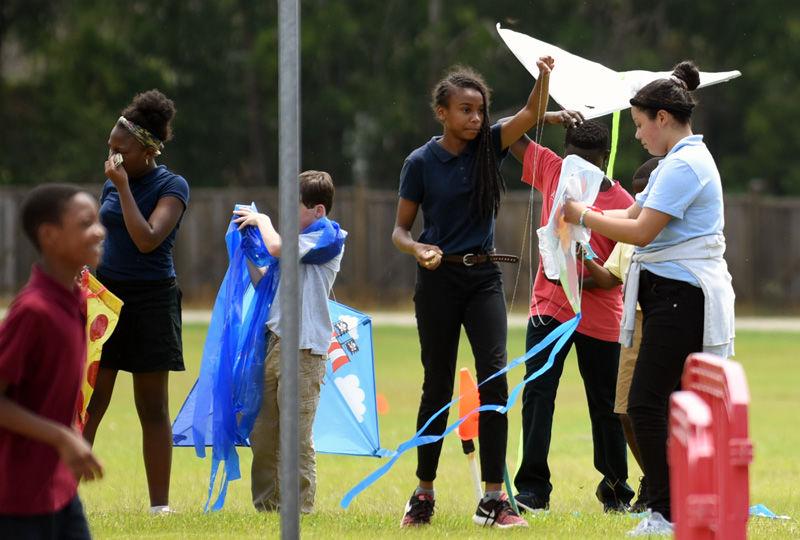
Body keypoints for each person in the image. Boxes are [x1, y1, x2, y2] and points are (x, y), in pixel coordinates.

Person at [563, 61, 735, 536]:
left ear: (663, 117)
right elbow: (635, 211)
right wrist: (583, 214)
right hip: (667, 295)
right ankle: (680, 504)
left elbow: (639, 231)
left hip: (682, 294)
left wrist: (582, 214)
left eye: (640, 124)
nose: (637, 135)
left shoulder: (685, 164)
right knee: (666, 404)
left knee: (645, 404)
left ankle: (667, 511)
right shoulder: (673, 164)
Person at [391, 57, 555, 529]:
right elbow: (399, 231)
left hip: (484, 278)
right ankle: (423, 493)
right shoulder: (420, 163)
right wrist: (418, 248)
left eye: (480, 110)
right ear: (441, 112)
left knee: (494, 383)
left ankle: (492, 500)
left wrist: (542, 78)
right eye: (465, 110)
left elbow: (531, 111)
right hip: (438, 283)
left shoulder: (490, 146)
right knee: (437, 387)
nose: (476, 119)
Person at [507, 118, 636, 513]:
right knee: (538, 395)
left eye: (588, 164)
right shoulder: (551, 169)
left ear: (605, 160)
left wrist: (581, 264)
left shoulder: (625, 204)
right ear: (563, 155)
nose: (577, 171)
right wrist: (543, 116)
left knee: (606, 406)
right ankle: (532, 490)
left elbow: (614, 278)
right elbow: (506, 133)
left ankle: (615, 490)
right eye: (572, 162)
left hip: (599, 317)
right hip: (550, 308)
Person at [82, 90, 189, 514]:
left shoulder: (172, 186)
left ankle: (159, 506)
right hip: (107, 298)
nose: (111, 157)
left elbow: (147, 239)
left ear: (147, 150)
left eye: (120, 150)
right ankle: (60, 496)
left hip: (151, 302)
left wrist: (123, 187)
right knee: (93, 398)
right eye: (109, 148)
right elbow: (101, 233)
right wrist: (86, 267)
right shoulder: (112, 181)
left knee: (152, 406)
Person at [233, 170, 346, 514]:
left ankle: (300, 511)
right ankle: (267, 506)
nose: (284, 214)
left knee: (296, 438)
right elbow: (265, 281)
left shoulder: (327, 237)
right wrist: (248, 250)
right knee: (264, 434)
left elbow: (278, 246)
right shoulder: (295, 244)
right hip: (274, 344)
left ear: (318, 211)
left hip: (305, 350)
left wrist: (263, 221)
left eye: (292, 206)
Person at [0, 184, 106, 539]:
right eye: (85, 223)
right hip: (16, 500)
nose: (100, 231)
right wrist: (62, 436)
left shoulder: (75, 300)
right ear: (49, 235)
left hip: (58, 489)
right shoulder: (33, 311)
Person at [580, 157, 660, 513]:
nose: (639, 208)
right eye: (637, 200)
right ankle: (657, 481)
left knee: (659, 410)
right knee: (625, 411)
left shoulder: (667, 227)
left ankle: (670, 486)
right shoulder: (631, 232)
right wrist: (582, 258)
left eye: (645, 199)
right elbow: (609, 279)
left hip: (661, 323)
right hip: (632, 326)